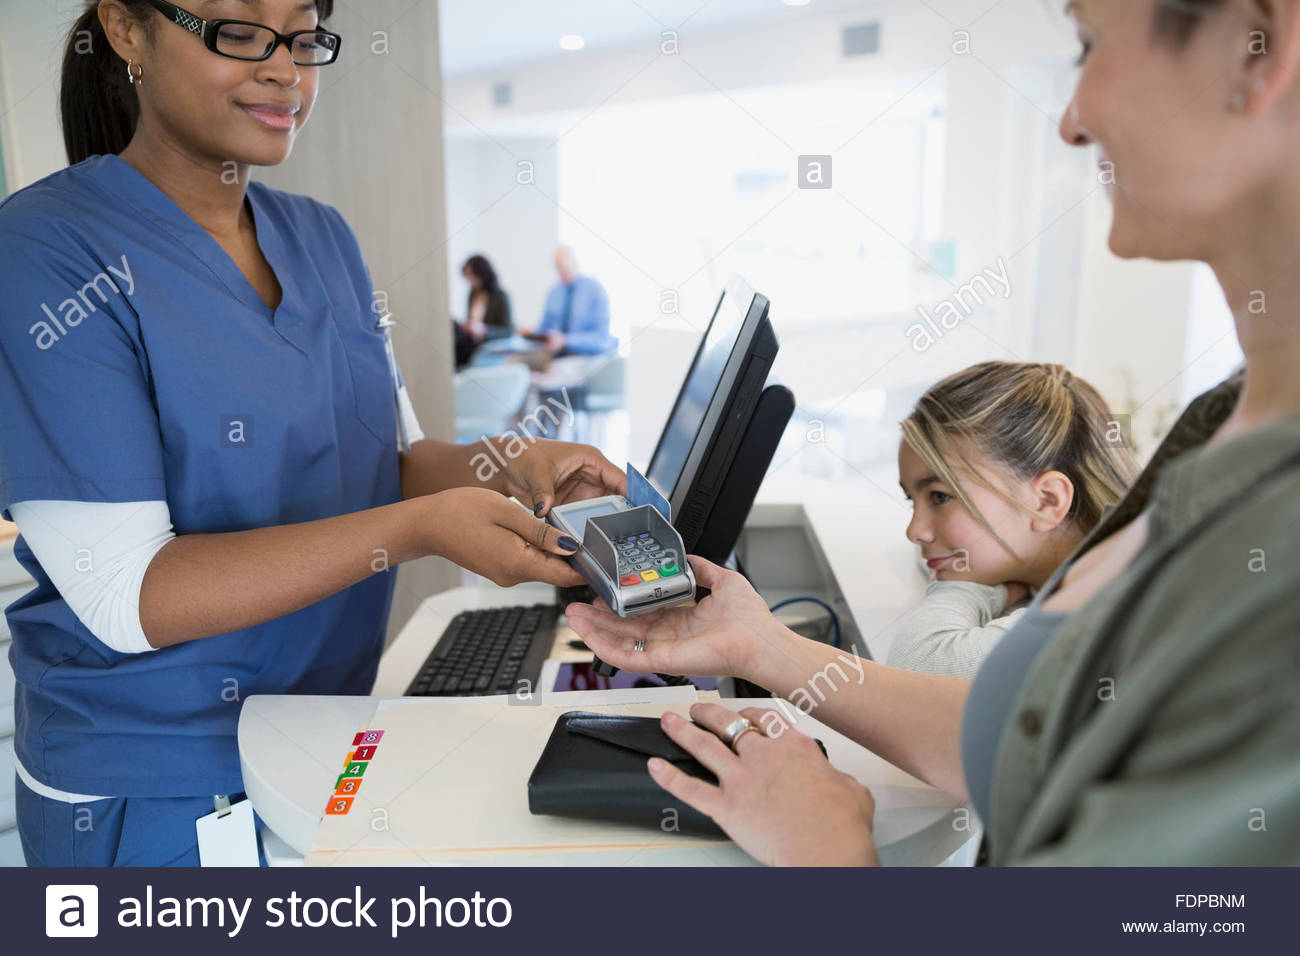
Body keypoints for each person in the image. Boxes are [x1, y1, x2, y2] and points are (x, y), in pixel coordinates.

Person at [568, 0, 1300, 865]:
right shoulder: (1227, 423)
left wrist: (832, 857)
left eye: (1089, 44)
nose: (1070, 120)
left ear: (1258, 49)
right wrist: (762, 649)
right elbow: (1043, 744)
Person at [0, 0, 625, 866]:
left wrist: (512, 461)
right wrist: (416, 532)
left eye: (302, 35)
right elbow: (130, 595)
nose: (285, 70)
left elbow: (399, 460)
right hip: (159, 779)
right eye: (239, 31)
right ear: (126, 27)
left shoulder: (323, 237)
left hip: (327, 731)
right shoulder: (44, 253)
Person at [886, 361, 1139, 678]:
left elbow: (919, 663)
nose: (915, 532)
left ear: (1047, 501)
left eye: (940, 496)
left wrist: (974, 588)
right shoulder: (1105, 558)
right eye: (912, 500)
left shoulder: (1099, 605)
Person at [523, 245, 616, 356]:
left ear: (575, 262)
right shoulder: (554, 293)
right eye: (558, 270)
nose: (562, 274)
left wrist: (565, 341)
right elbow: (544, 329)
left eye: (564, 268)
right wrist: (532, 334)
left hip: (586, 357)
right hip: (555, 356)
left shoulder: (595, 290)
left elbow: (602, 338)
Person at [453, 254, 511, 368]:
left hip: (488, 343)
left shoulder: (500, 296)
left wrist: (485, 330)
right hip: (471, 340)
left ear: (482, 274)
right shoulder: (472, 295)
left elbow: (508, 331)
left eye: (471, 276)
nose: (470, 281)